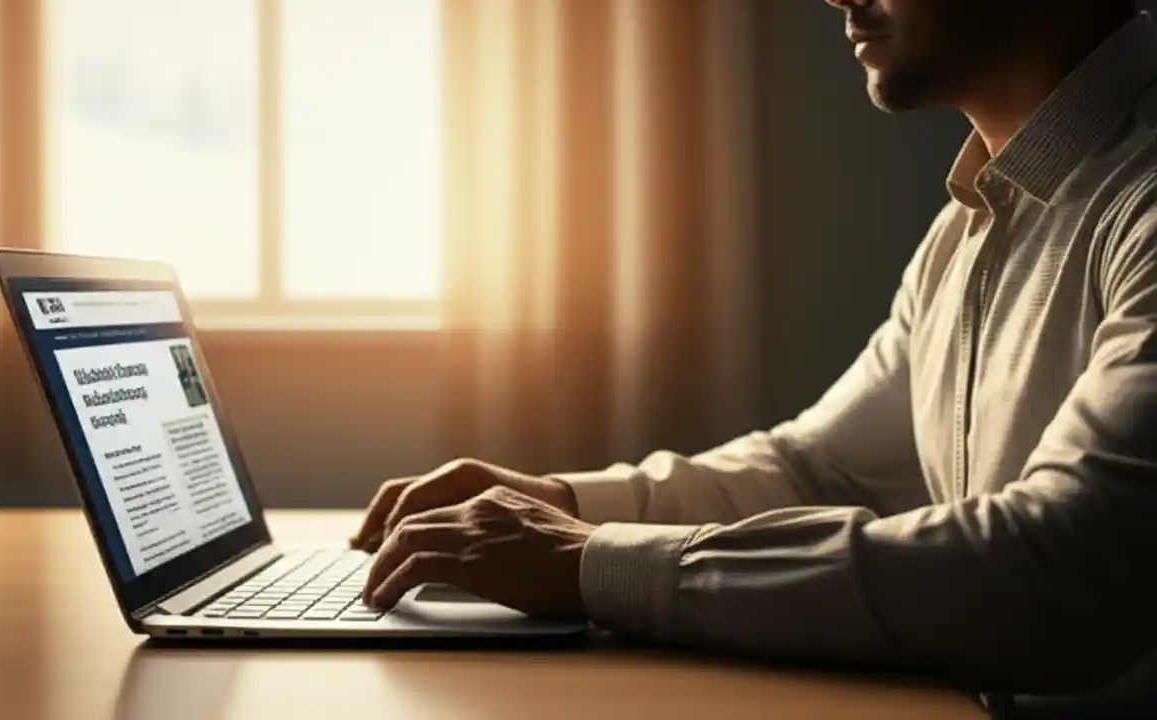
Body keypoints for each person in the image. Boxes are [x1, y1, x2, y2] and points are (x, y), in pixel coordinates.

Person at [355, 0, 1157, 693]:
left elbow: (1058, 575)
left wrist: (593, 563)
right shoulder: (972, 225)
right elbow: (818, 471)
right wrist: (561, 505)